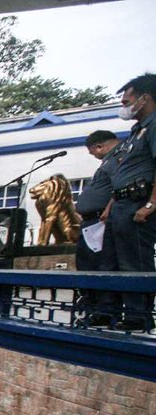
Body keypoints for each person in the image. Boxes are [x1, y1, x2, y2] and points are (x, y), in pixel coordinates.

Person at [109, 73, 156, 331]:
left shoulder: (155, 125)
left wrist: (151, 204)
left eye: (127, 101)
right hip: (124, 204)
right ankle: (131, 312)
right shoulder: (138, 130)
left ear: (145, 98)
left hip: (139, 203)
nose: (124, 106)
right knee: (124, 263)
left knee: (137, 262)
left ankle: (140, 316)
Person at [76, 130, 122, 325]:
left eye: (92, 151)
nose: (92, 155)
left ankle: (106, 312)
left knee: (103, 265)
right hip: (91, 223)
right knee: (87, 265)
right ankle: (93, 308)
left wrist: (108, 209)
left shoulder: (118, 160)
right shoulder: (107, 162)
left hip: (101, 221)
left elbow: (119, 188)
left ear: (100, 146)